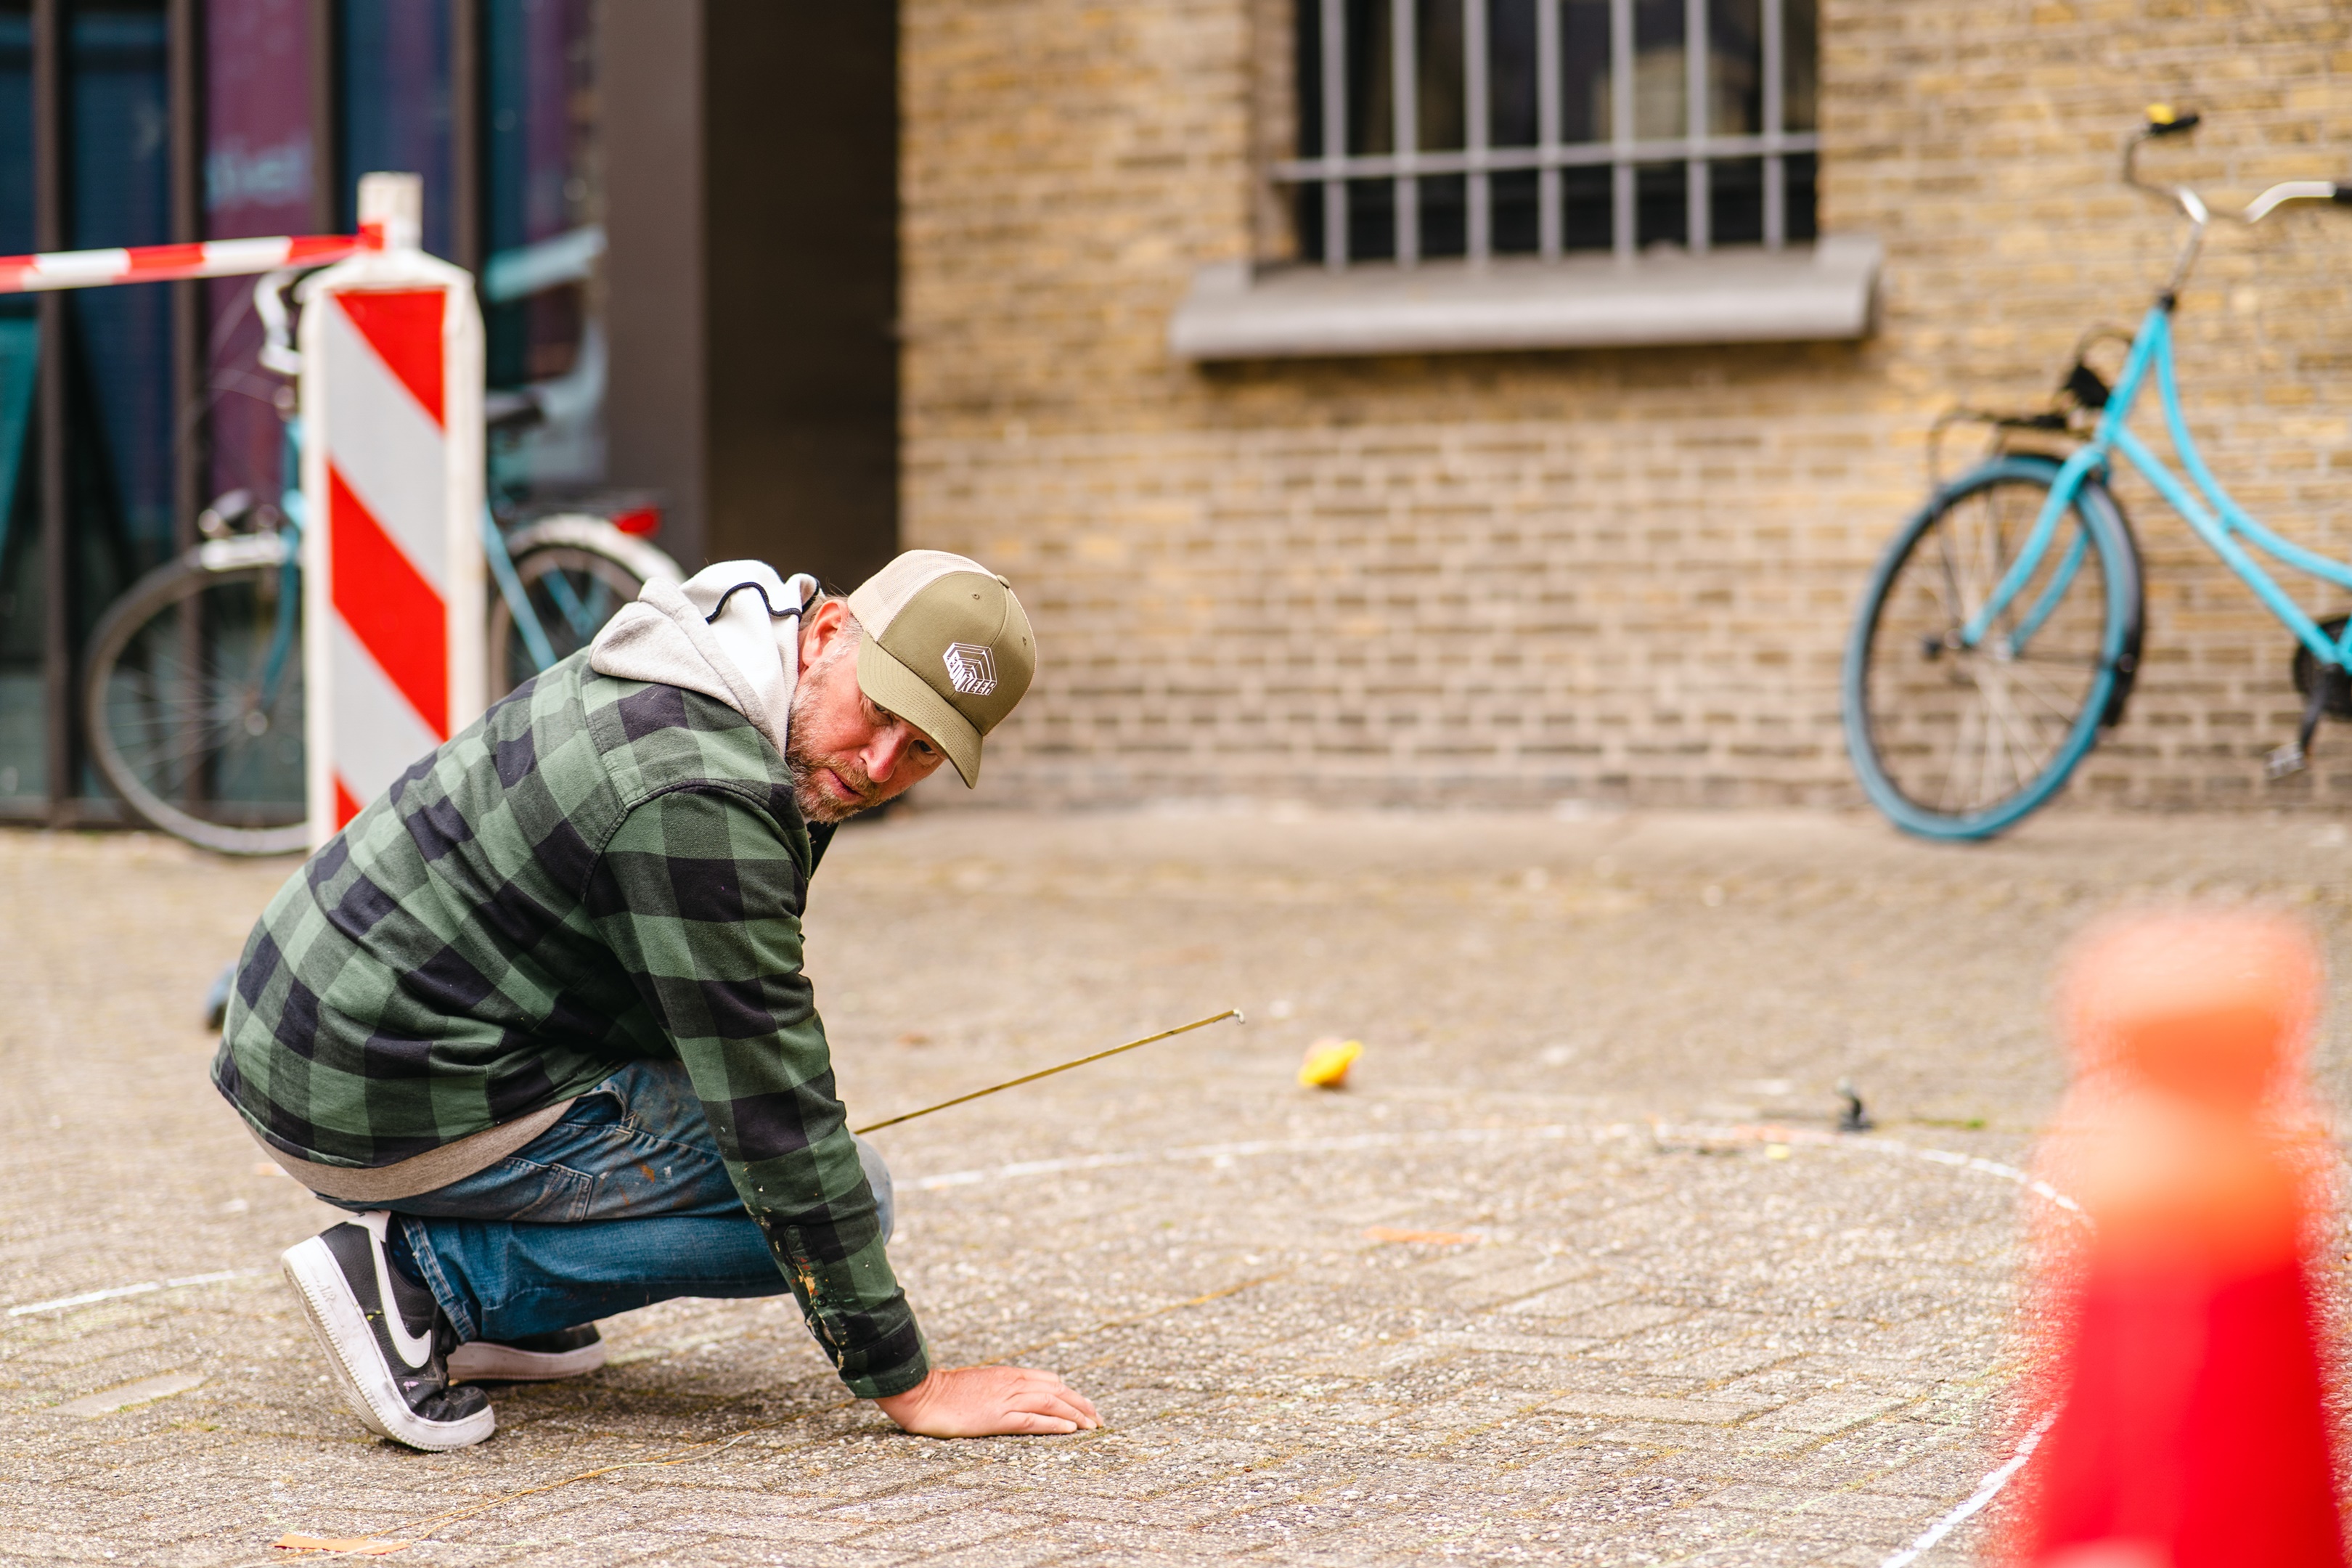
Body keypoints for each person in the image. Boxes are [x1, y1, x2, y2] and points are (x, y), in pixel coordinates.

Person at [210, 550, 1099, 1451]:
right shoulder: (699, 792)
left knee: (767, 1150)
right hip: (364, 1078)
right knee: (854, 1199)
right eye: (879, 712)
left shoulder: (703, 651)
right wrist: (911, 1383)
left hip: (310, 1019)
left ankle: (506, 1316)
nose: (877, 765)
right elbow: (773, 1110)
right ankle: (422, 1285)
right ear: (829, 631)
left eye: (922, 751)